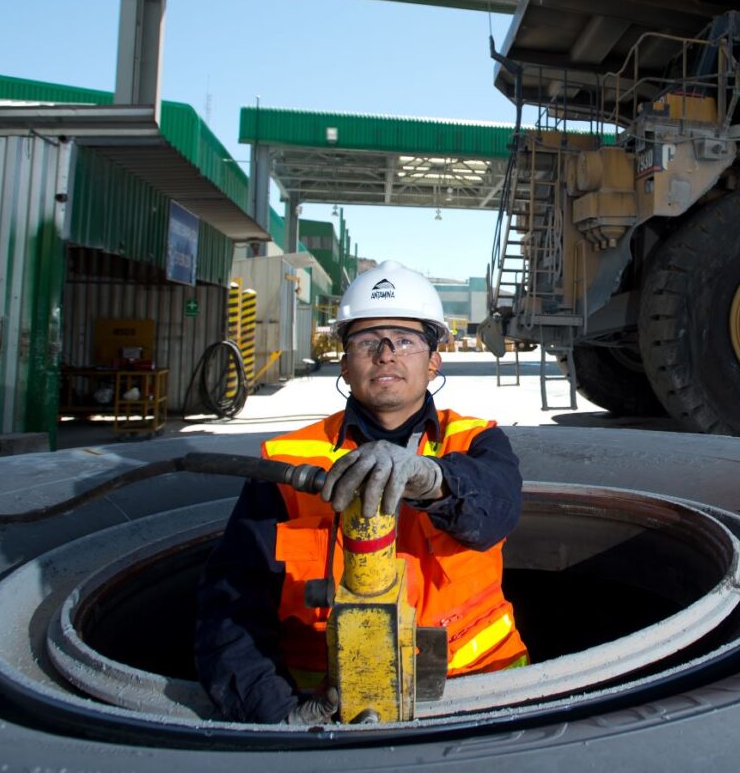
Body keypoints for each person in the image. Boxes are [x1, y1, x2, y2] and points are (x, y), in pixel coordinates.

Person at [194, 261, 527, 724]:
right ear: (345, 363)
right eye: (367, 341)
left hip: (483, 692)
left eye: (406, 341)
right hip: (330, 711)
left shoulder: (474, 442)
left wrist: (433, 480)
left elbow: (496, 514)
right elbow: (231, 604)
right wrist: (275, 714)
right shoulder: (287, 462)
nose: (386, 354)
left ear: (434, 360)